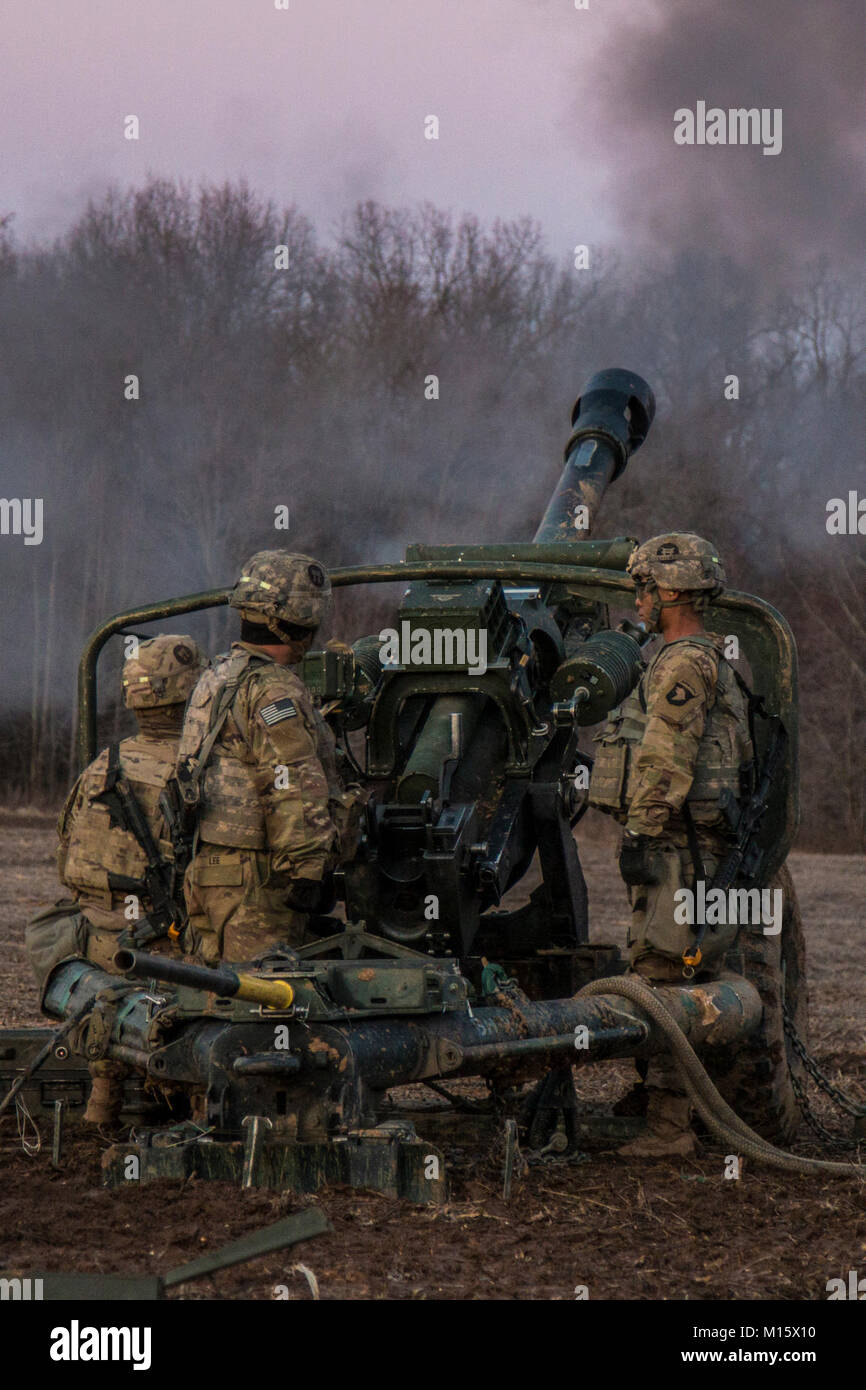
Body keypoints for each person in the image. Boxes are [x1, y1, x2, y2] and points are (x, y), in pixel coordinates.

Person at [589, 533, 755, 1157]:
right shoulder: (690, 656)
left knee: (662, 979)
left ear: (674, 591)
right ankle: (674, 1111)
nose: (638, 600)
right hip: (684, 849)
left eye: (644, 588)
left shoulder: (684, 661)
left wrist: (642, 828)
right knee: (674, 973)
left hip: (677, 852)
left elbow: (665, 755)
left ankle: (669, 1129)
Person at [31, 633, 205, 1126]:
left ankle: (101, 1108)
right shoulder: (201, 770)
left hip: (103, 942)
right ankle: (199, 1114)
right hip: (172, 950)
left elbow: (68, 853)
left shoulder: (101, 767)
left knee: (110, 1001)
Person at [177, 550, 360, 965]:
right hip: (258, 882)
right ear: (302, 621)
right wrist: (308, 869)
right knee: (265, 1002)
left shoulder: (216, 675)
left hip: (211, 870)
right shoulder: (274, 689)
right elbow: (290, 781)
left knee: (219, 994)